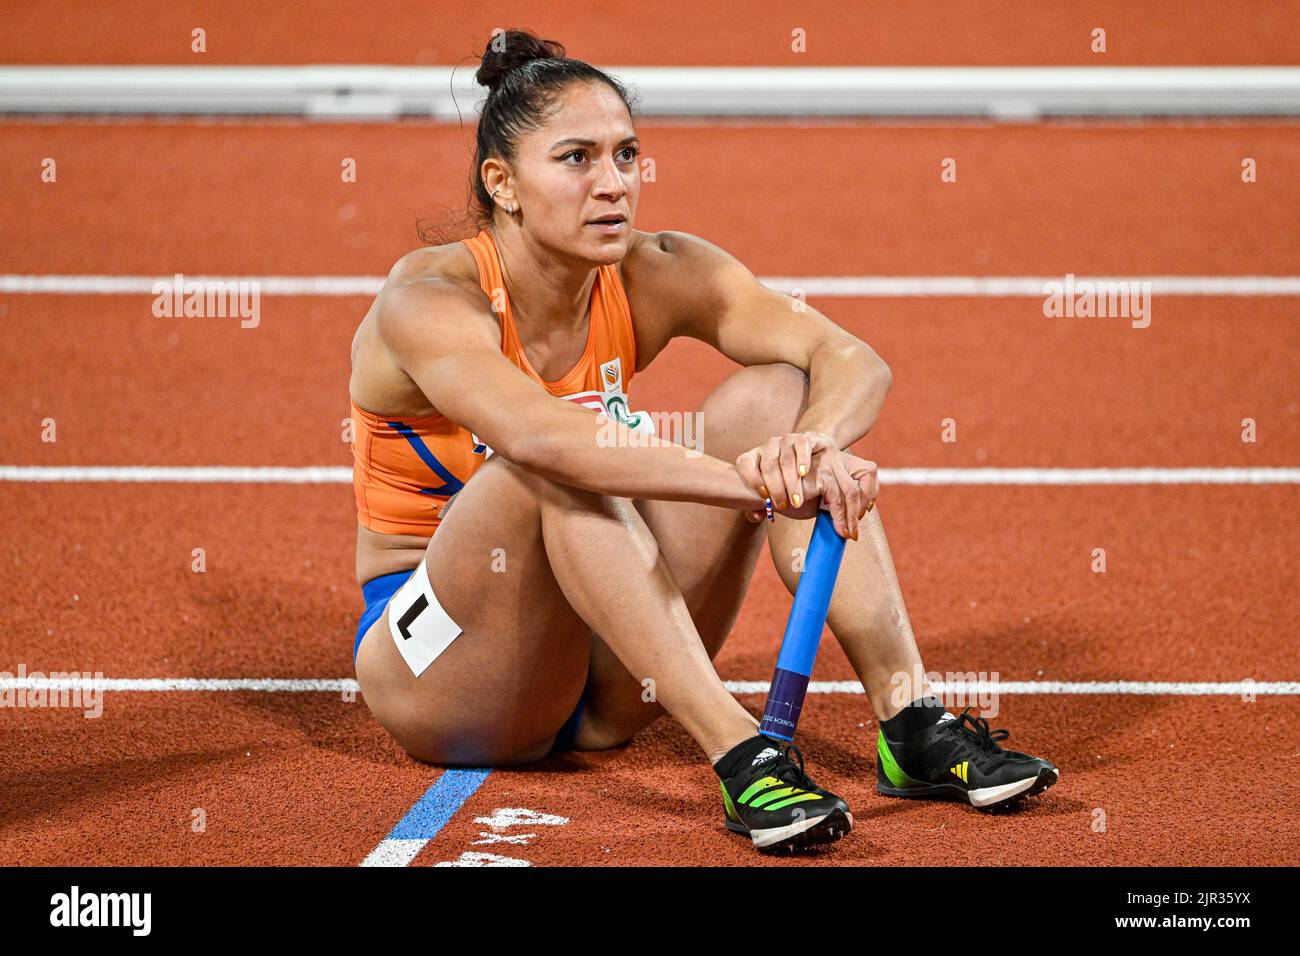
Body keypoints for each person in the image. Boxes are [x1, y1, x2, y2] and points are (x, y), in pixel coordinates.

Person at [348, 30, 1057, 854]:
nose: (612, 185)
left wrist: (810, 449)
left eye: (628, 156)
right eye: (576, 159)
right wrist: (752, 487)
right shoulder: (427, 300)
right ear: (500, 183)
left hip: (601, 672)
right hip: (444, 668)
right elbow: (542, 436)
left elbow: (851, 358)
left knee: (776, 397)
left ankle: (910, 724)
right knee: (556, 464)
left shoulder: (656, 271)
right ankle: (742, 752)